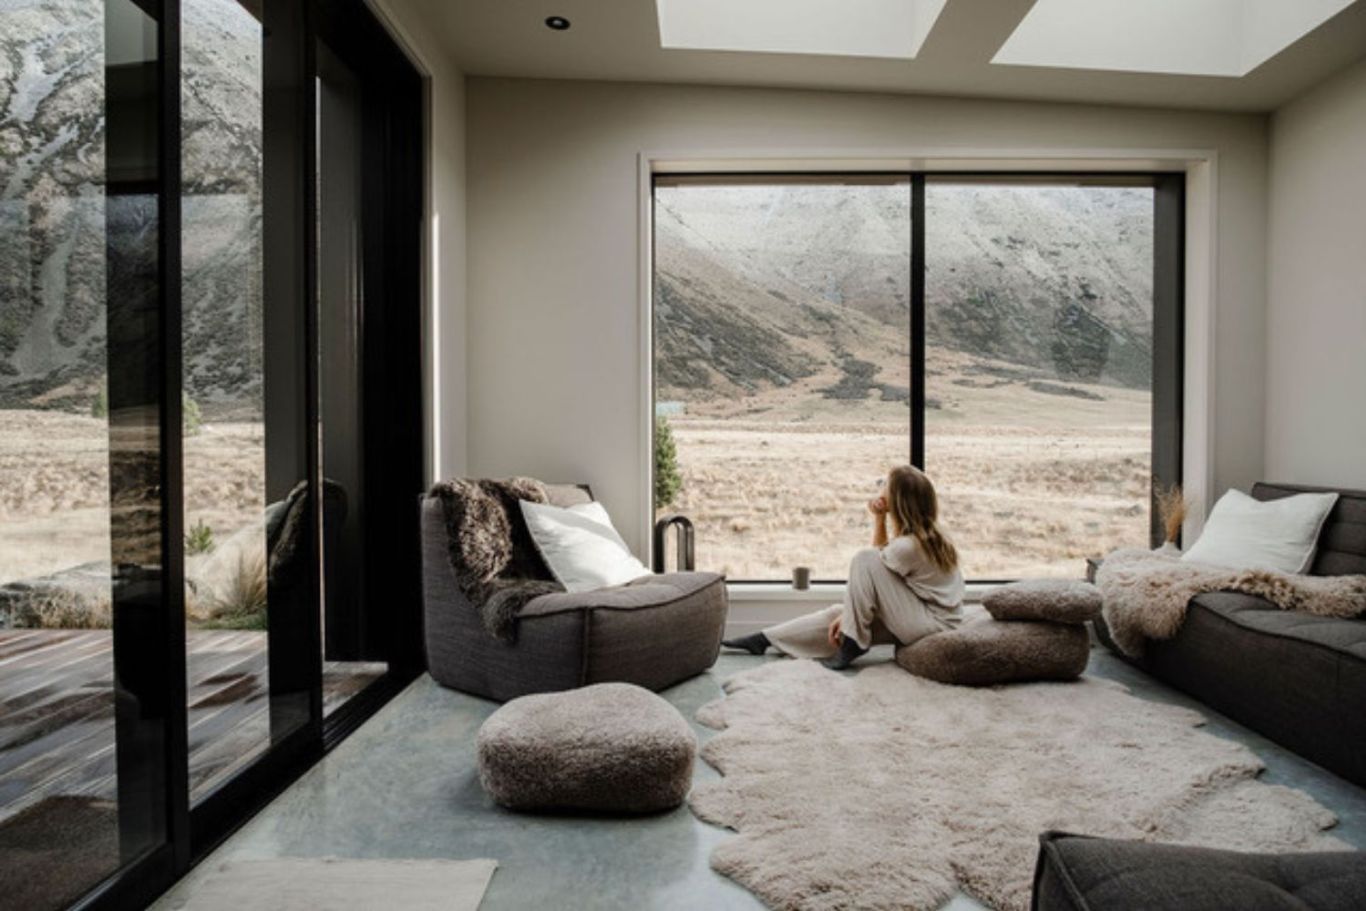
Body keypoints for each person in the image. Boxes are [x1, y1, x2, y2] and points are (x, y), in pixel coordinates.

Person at [722, 465, 965, 670]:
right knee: (837, 613)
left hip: (931, 626)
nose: (881, 490)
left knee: (863, 559)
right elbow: (880, 575)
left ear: (899, 502)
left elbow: (873, 565)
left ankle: (853, 643)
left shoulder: (908, 546)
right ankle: (765, 639)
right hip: (927, 619)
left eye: (885, 486)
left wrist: (878, 517)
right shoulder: (927, 537)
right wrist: (848, 615)